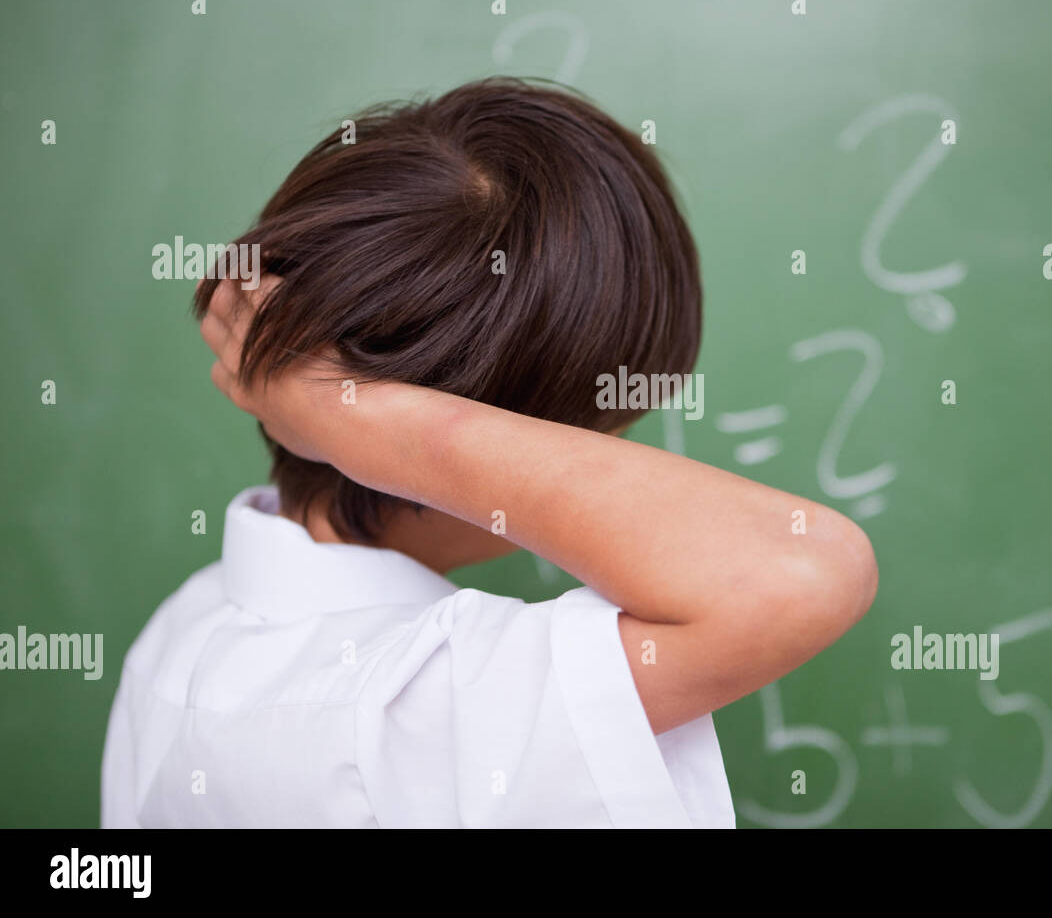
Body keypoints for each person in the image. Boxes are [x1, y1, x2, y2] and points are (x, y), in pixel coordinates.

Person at [101, 77, 877, 828]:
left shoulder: (191, 623)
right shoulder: (418, 705)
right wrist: (354, 412)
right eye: (600, 426)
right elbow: (804, 571)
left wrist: (329, 392)